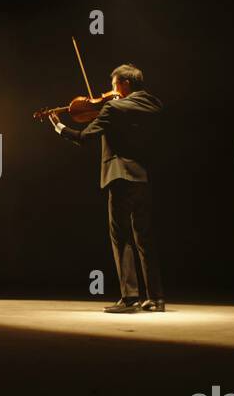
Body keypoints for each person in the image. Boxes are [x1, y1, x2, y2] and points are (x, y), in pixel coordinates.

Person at [47, 63, 166, 313]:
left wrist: (59, 127)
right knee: (145, 238)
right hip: (143, 178)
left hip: (119, 177)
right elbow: (152, 108)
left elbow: (84, 138)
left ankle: (130, 297)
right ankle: (156, 298)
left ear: (124, 84)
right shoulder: (151, 104)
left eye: (113, 87)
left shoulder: (113, 107)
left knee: (120, 236)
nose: (110, 92)